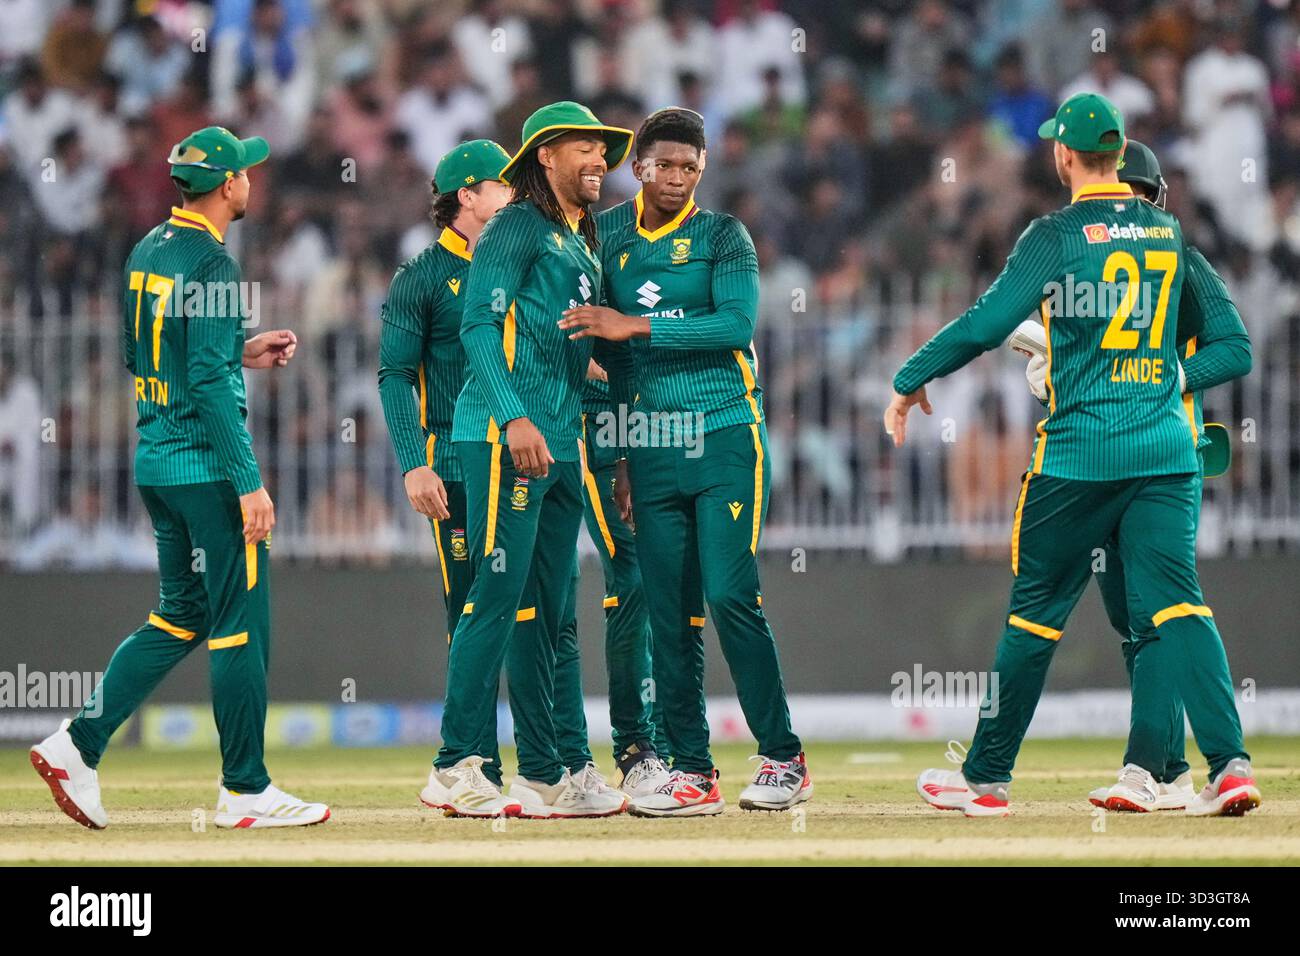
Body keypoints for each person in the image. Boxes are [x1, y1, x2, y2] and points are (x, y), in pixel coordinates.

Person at [887, 94, 1260, 818]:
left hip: (1080, 458)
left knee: (1033, 618)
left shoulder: (1055, 235)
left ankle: (987, 779)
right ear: (1120, 156)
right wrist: (1163, 378)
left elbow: (987, 323)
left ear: (1062, 154)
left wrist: (909, 378)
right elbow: (1229, 342)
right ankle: (1229, 765)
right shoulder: (1167, 232)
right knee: (1179, 608)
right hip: (1162, 453)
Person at [30, 126, 329, 830]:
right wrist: (248, 480)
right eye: (245, 173)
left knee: (180, 614)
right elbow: (204, 381)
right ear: (228, 186)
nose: (252, 180)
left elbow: (149, 358)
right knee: (238, 625)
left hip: (156, 461)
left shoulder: (149, 250)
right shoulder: (214, 264)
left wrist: (239, 349)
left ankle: (77, 743)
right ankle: (246, 790)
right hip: (206, 470)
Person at [559, 107, 809, 816]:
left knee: (731, 595)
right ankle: (692, 771)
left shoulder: (723, 236)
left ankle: (783, 756)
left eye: (688, 168)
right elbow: (593, 345)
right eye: (662, 165)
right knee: (668, 613)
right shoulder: (601, 236)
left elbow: (734, 324)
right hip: (649, 446)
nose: (675, 178)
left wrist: (635, 323)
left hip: (727, 431)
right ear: (636, 166)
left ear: (703, 171)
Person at [424, 102, 633, 819]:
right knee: (496, 594)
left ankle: (551, 771)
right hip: (504, 438)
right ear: (544, 156)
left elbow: (557, 335)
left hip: (560, 441)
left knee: (553, 612)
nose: (600, 158)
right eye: (584, 146)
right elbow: (479, 324)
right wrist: (513, 416)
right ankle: (455, 764)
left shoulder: (578, 237)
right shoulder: (515, 226)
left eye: (604, 148)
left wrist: (594, 367)